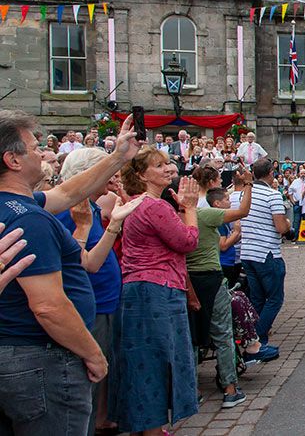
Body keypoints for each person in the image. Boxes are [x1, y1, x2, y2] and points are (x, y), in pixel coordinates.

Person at [0, 110, 140, 435]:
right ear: (13, 160)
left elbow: (65, 194)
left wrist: (118, 157)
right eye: (33, 147)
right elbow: (48, 306)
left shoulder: (17, 205)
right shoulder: (29, 220)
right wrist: (93, 353)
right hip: (41, 359)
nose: (41, 153)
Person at [56, 149, 146, 436]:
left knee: (103, 368)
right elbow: (77, 262)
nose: (114, 175)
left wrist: (115, 224)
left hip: (105, 299)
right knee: (89, 374)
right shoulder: (69, 211)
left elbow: (93, 261)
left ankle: (100, 420)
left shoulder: (91, 208)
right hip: (88, 303)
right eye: (107, 170)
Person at [112, 148, 201, 434]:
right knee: (156, 362)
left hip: (139, 288)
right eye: (159, 165)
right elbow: (188, 241)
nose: (167, 169)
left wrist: (180, 211)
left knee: (142, 360)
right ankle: (152, 430)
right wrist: (191, 209)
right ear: (141, 175)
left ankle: (145, 427)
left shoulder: (138, 204)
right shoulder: (154, 206)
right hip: (157, 290)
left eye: (166, 164)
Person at [187, 177, 258, 409]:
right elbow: (243, 211)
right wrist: (248, 185)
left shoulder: (174, 220)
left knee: (191, 335)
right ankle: (230, 388)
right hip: (210, 277)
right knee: (223, 334)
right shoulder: (204, 215)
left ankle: (192, 389)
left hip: (186, 280)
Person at [240, 157, 292, 352]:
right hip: (267, 253)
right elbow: (280, 227)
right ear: (271, 173)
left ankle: (253, 340)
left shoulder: (243, 193)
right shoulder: (273, 195)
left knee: (257, 298)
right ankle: (256, 340)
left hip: (247, 253)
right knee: (275, 299)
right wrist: (288, 224)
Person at [287, 169, 305, 240]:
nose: (303, 175)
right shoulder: (295, 182)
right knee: (296, 220)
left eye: (304, 173)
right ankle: (295, 236)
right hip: (297, 203)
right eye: (301, 173)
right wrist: (292, 201)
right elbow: (290, 192)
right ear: (299, 174)